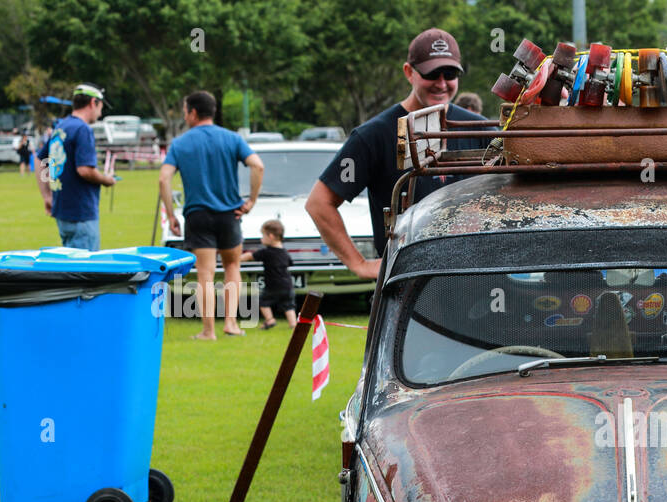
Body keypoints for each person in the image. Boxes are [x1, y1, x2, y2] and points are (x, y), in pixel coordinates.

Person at [307, 28, 494, 279]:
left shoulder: (480, 129)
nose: (441, 83)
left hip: (471, 280)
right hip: (406, 283)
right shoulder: (374, 135)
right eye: (431, 74)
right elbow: (319, 203)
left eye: (449, 74)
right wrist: (360, 264)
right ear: (409, 72)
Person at [159, 91, 265, 340]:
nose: (184, 116)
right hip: (230, 214)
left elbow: (164, 178)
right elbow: (258, 165)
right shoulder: (232, 138)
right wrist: (251, 200)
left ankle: (208, 331)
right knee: (232, 265)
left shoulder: (181, 143)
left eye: (185, 111)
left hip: (197, 215)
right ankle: (231, 323)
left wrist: (171, 214)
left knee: (205, 273)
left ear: (193, 113)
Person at [34, 83, 117, 251]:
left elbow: (39, 160)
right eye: (101, 106)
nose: (100, 113)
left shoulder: (61, 126)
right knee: (86, 271)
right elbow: (84, 170)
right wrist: (106, 180)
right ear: (93, 102)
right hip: (81, 214)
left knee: (69, 270)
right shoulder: (82, 129)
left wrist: (47, 195)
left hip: (62, 211)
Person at [240, 219, 296, 329]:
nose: (261, 239)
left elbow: (250, 256)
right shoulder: (284, 252)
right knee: (289, 305)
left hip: (273, 285)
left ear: (270, 236)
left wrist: (237, 259)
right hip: (287, 284)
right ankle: (293, 324)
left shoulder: (266, 252)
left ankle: (270, 320)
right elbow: (290, 263)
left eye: (262, 235)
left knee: (263, 302)